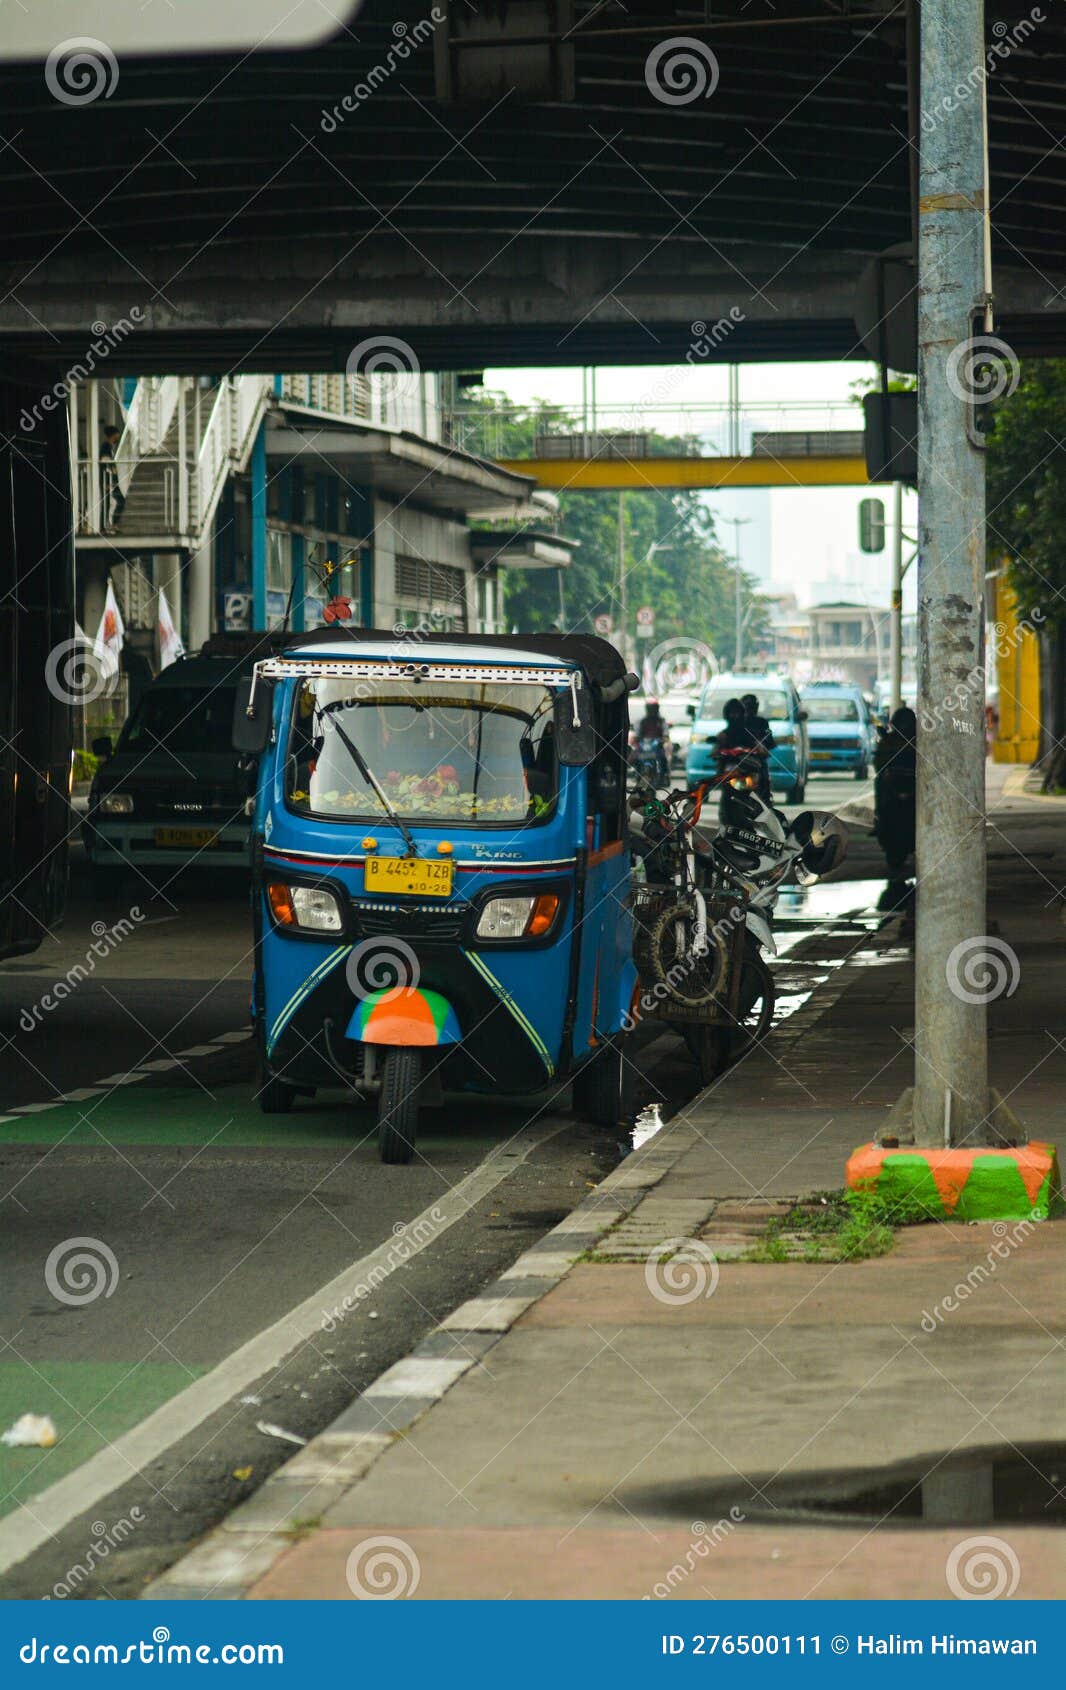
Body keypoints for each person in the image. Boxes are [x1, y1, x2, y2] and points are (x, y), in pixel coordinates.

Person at [874, 705, 917, 875]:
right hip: (891, 796)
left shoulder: (919, 742)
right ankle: (879, 819)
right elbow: (879, 767)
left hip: (912, 791)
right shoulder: (888, 742)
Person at [741, 692, 774, 799]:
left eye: (751, 707)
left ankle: (765, 800)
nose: (748, 711)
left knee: (763, 778)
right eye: (746, 707)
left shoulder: (762, 722)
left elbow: (769, 740)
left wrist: (762, 745)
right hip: (737, 761)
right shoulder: (736, 723)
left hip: (756, 760)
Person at [100, 425, 125, 530]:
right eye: (117, 434)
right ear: (113, 435)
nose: (118, 436)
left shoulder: (109, 447)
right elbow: (105, 462)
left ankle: (107, 525)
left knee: (108, 502)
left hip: (111, 480)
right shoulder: (106, 446)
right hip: (108, 480)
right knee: (119, 501)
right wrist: (107, 480)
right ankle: (110, 525)